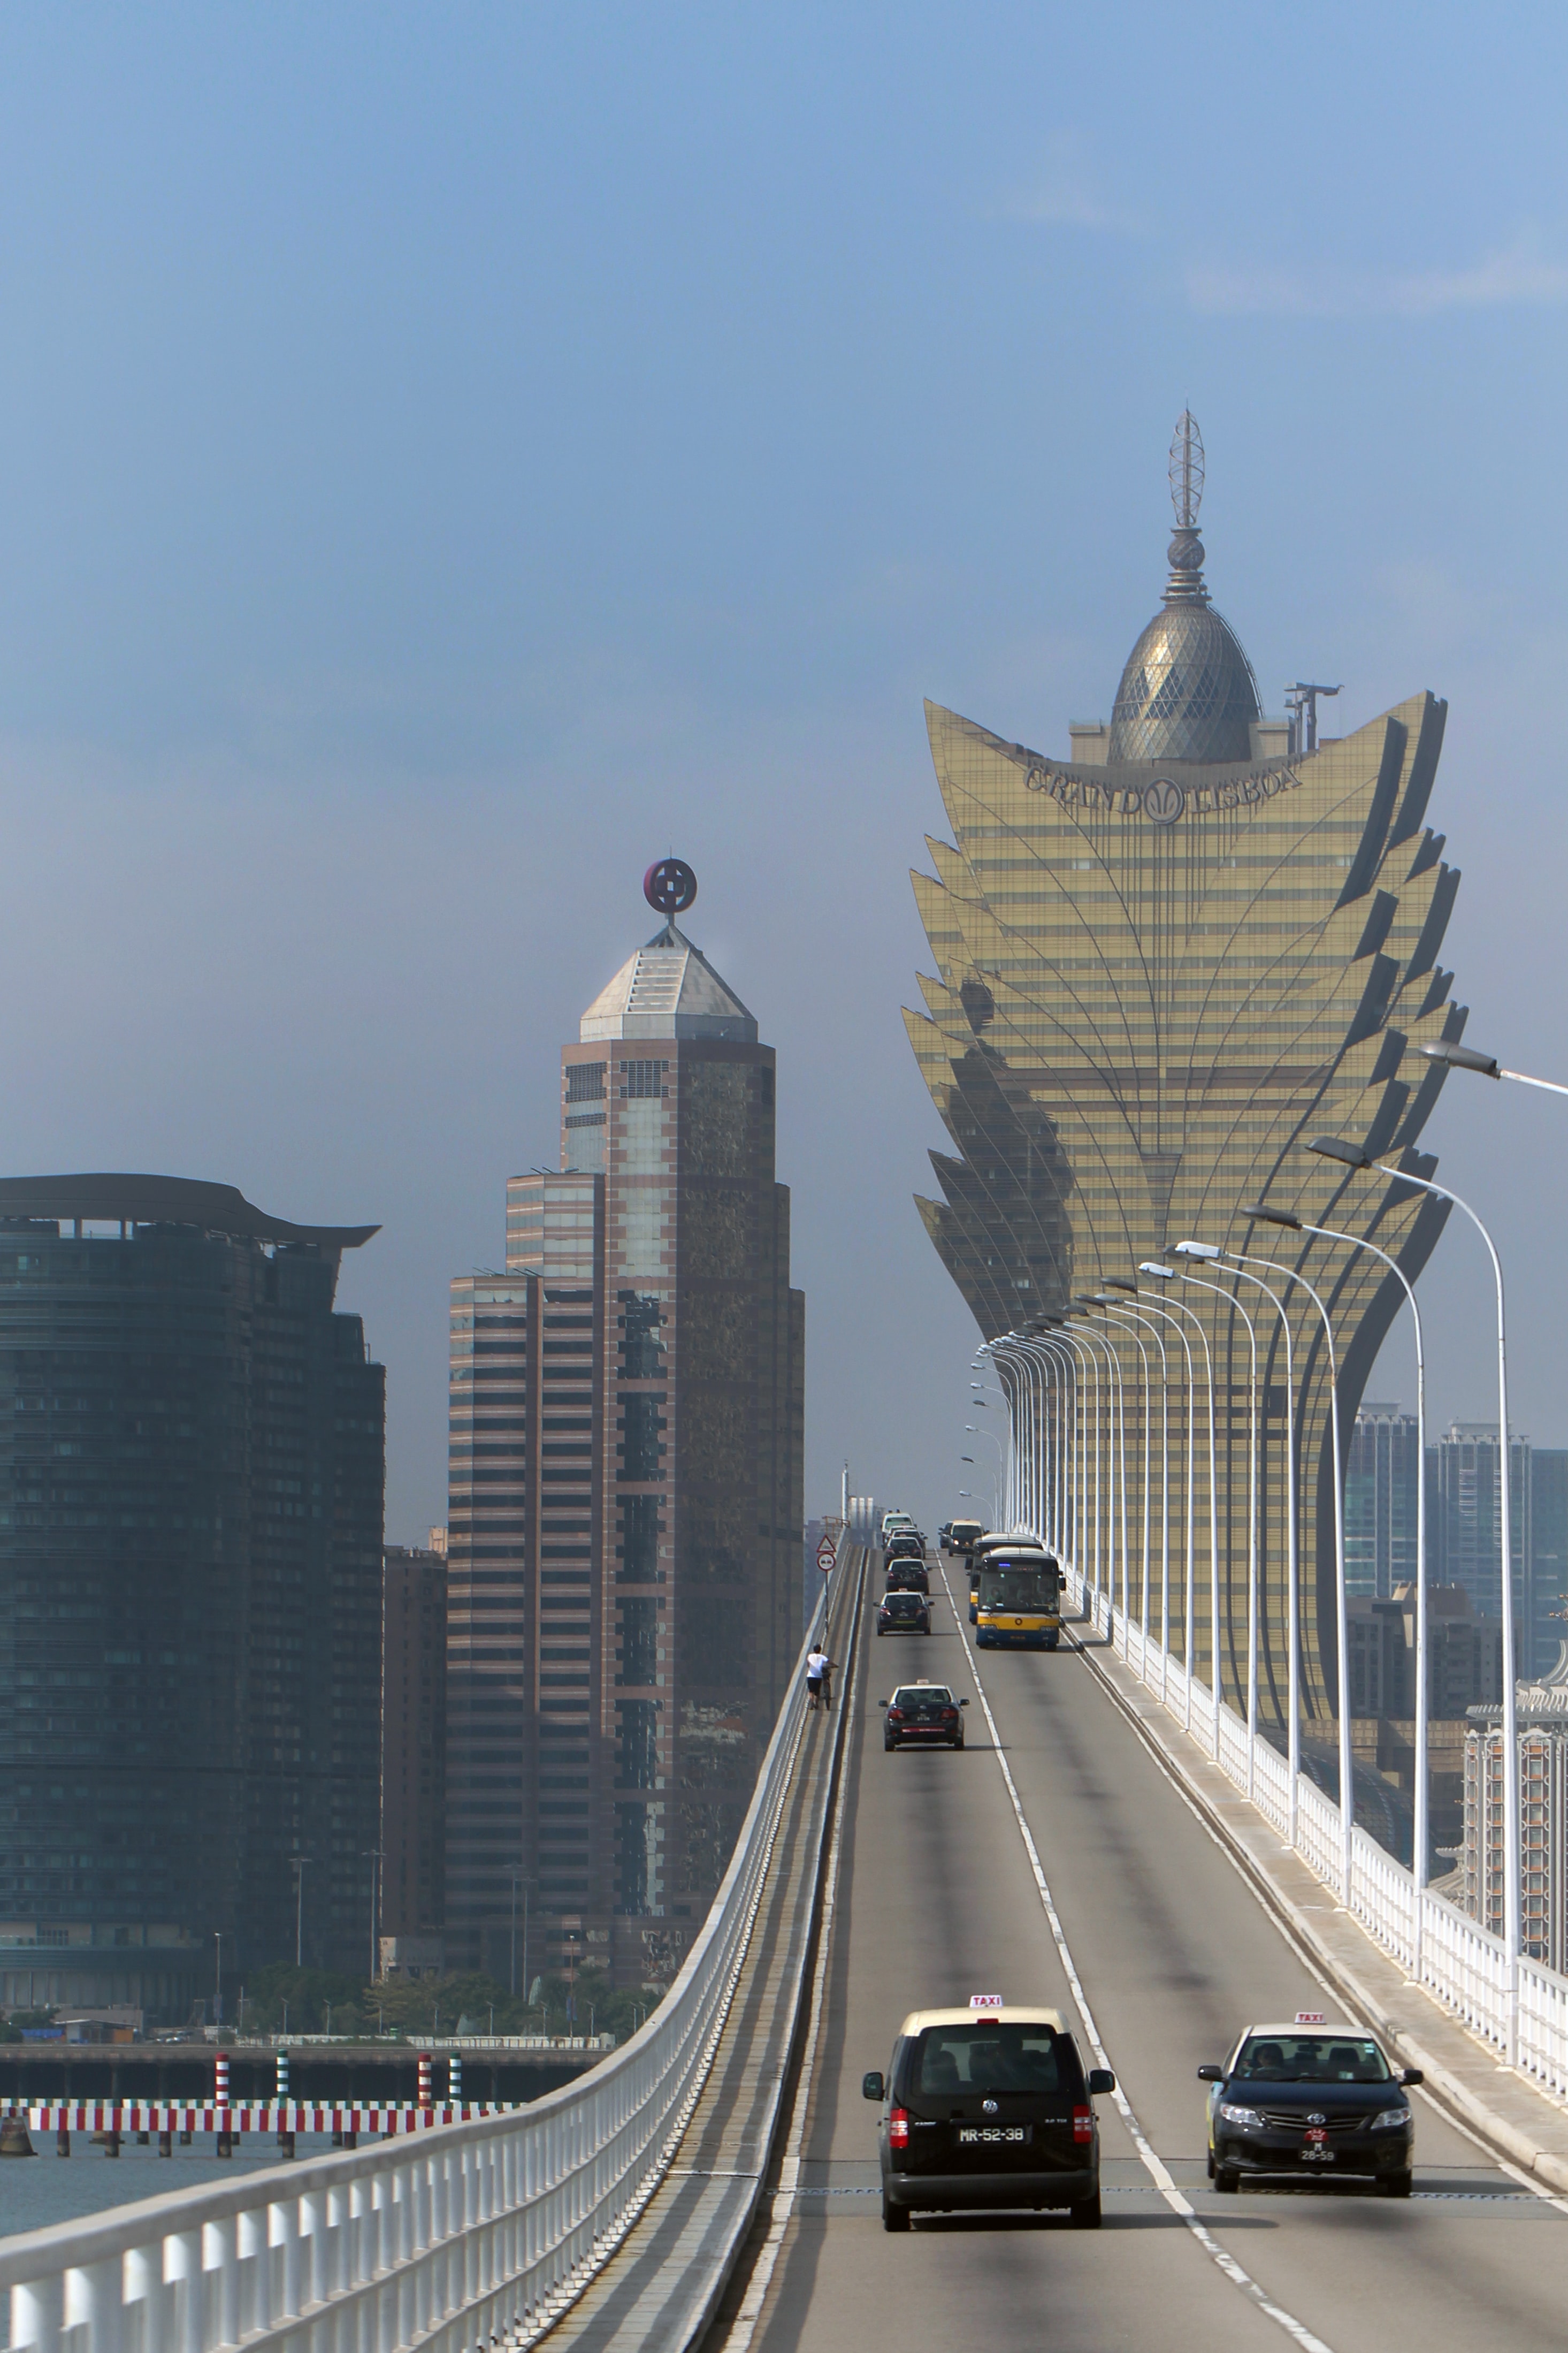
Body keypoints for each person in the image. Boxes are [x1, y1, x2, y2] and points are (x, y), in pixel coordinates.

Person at [806, 1643, 835, 1710]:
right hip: (818, 1676)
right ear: (820, 1650)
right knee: (817, 1691)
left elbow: (808, 1664)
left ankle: (812, 1702)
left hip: (810, 1676)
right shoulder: (822, 1656)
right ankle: (816, 1704)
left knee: (811, 1691)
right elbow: (829, 1662)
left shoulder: (810, 1656)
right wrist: (835, 1665)